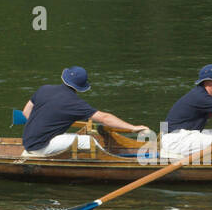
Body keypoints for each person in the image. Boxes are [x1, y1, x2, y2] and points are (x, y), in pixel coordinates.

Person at [20, 67, 150, 157]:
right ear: (81, 87)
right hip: (40, 147)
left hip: (27, 142)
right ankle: (107, 161)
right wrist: (133, 128)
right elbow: (104, 118)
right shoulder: (74, 103)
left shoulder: (44, 89)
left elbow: (26, 112)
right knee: (89, 141)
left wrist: (45, 126)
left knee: (72, 138)